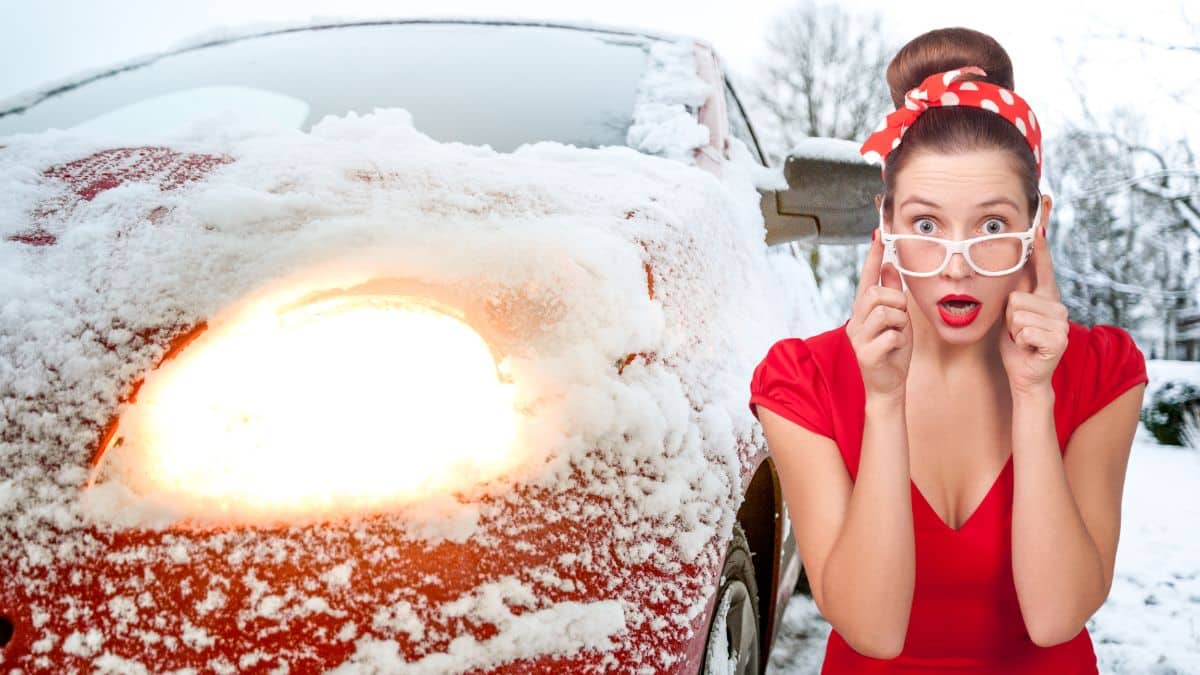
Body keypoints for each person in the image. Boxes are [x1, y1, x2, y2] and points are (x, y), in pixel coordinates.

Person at [748, 27, 1149, 674]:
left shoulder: (1103, 370)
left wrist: (1033, 395)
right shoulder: (804, 381)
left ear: (1034, 224)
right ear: (888, 226)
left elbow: (1054, 616)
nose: (956, 268)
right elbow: (873, 629)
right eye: (927, 225)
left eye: (991, 225)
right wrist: (882, 402)